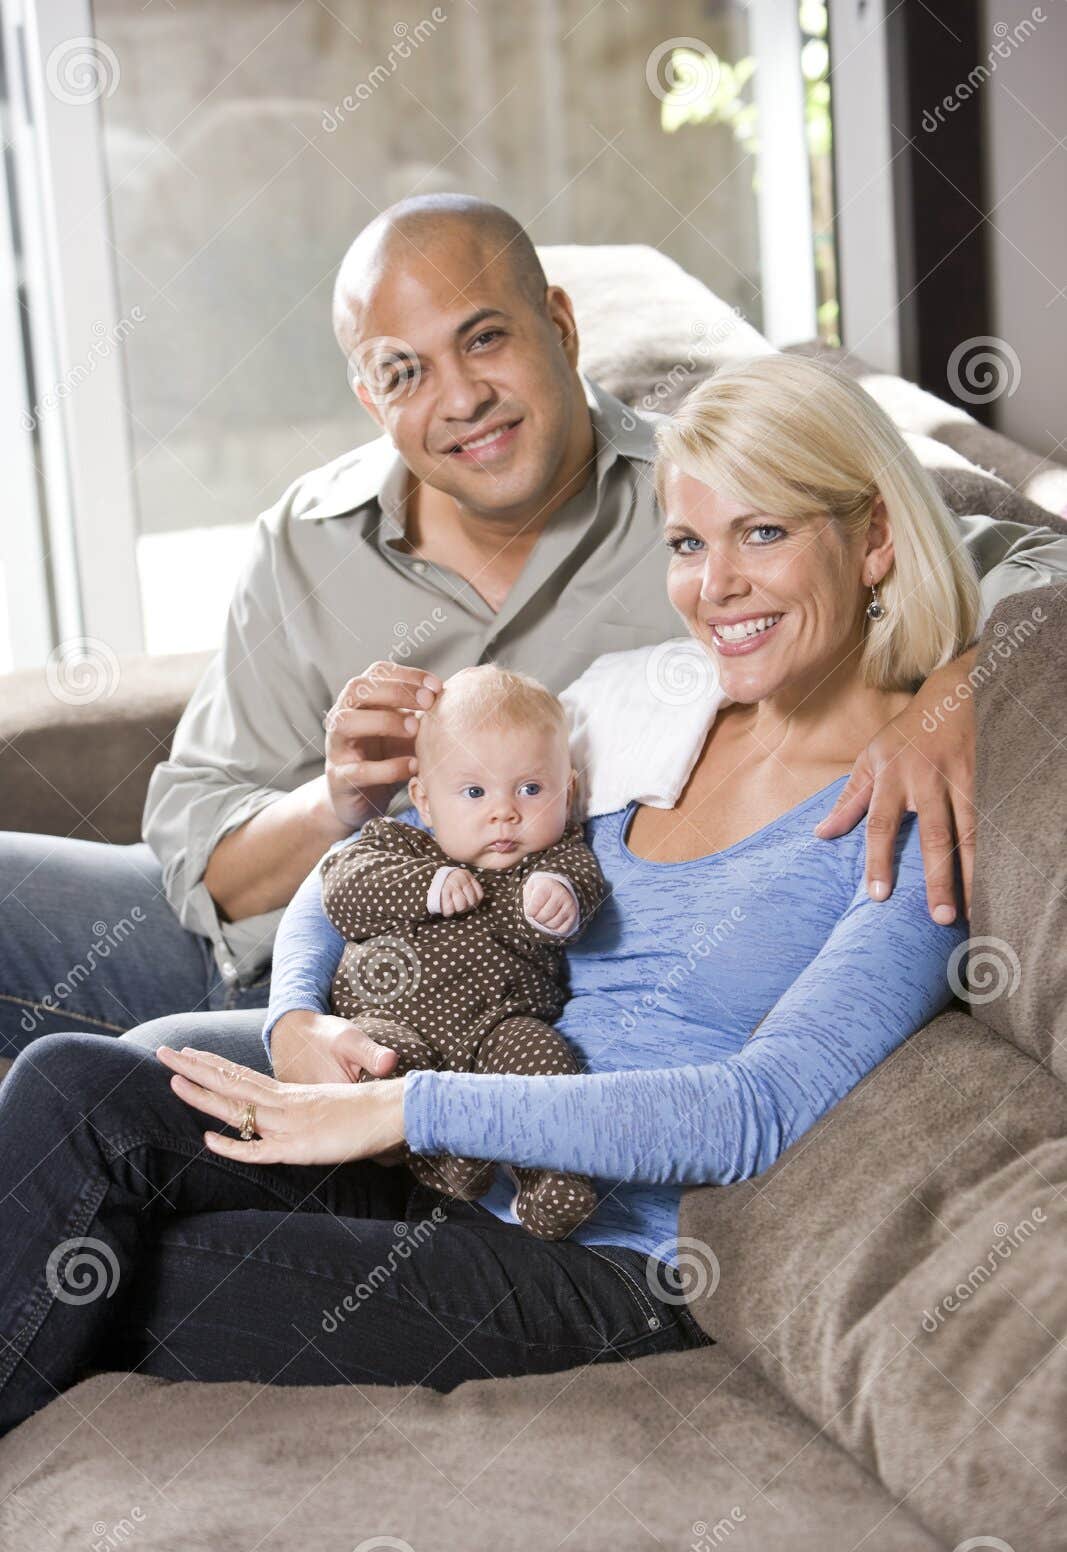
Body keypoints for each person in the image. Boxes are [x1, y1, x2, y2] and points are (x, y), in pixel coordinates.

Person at [0, 355, 989, 1430]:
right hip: (457, 1167)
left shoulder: (907, 814)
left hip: (609, 1268)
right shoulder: (642, 710)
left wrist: (397, 1104)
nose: (715, 588)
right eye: (687, 543)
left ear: (873, 539)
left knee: (136, 1266)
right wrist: (294, 1019)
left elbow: (750, 1112)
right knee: (71, 1089)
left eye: (764, 533)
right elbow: (355, 866)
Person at [2, 196, 1066, 1085]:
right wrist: (337, 802)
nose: (460, 399)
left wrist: (951, 702)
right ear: (369, 395)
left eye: (483, 337)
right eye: (404, 370)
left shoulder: (703, 505)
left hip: (451, 991)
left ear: (556, 322)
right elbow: (195, 849)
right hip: (249, 944)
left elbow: (1020, 561)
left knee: (103, 1093)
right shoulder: (306, 540)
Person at [321, 664, 606, 1238]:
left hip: (498, 1025)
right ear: (424, 801)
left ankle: (554, 1179)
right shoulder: (400, 844)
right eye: (474, 792)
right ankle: (445, 1160)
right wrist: (423, 887)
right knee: (377, 1066)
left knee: (546, 1060)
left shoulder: (553, 862)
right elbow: (343, 894)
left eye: (531, 789)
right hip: (389, 1021)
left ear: (568, 789)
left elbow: (583, 892)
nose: (504, 812)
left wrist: (560, 900)